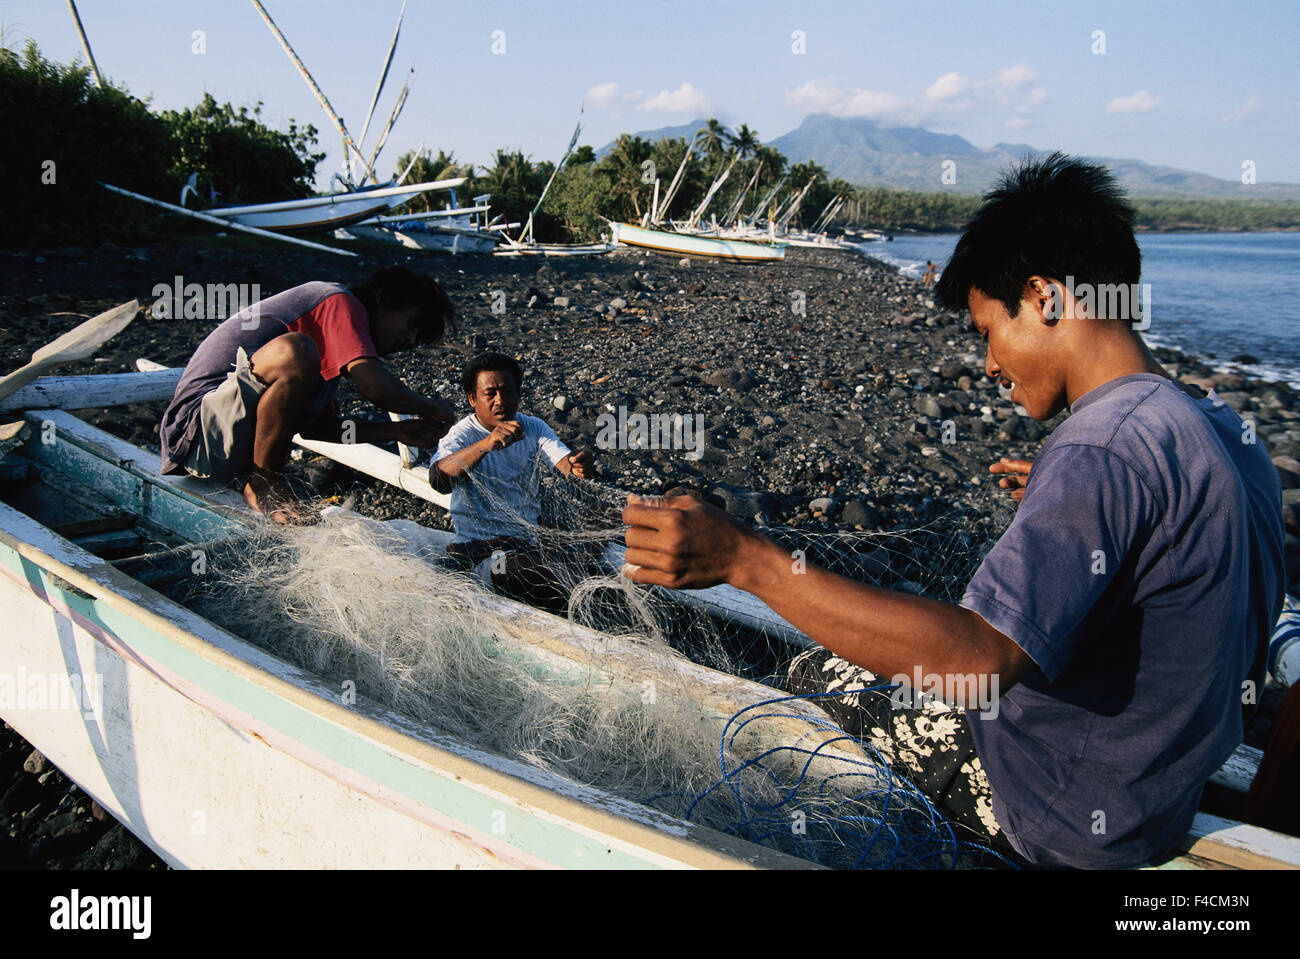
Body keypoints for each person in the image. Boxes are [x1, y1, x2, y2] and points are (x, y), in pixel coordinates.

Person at [620, 153, 1287, 868]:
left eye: (986, 331)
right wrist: (1087, 512)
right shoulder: (1217, 430)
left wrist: (744, 560)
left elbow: (979, 660)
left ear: (1046, 298)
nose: (991, 366)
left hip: (1050, 807)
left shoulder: (1102, 448)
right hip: (1152, 795)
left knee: (811, 680)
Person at [159, 266, 456, 523]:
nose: (410, 339)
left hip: (221, 449)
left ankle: (264, 478)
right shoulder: (339, 302)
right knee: (295, 350)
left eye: (419, 338)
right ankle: (265, 482)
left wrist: (395, 430)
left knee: (301, 354)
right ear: (384, 301)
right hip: (196, 432)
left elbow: (316, 428)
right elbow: (375, 388)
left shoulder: (327, 352)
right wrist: (431, 408)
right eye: (411, 324)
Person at [432, 352, 595, 609]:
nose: (500, 401)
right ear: (473, 399)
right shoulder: (461, 436)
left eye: (507, 392)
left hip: (526, 543)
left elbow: (565, 464)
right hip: (485, 554)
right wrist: (485, 444)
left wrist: (579, 468)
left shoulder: (532, 426)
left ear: (518, 394)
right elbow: (438, 480)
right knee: (555, 577)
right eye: (491, 394)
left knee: (601, 521)